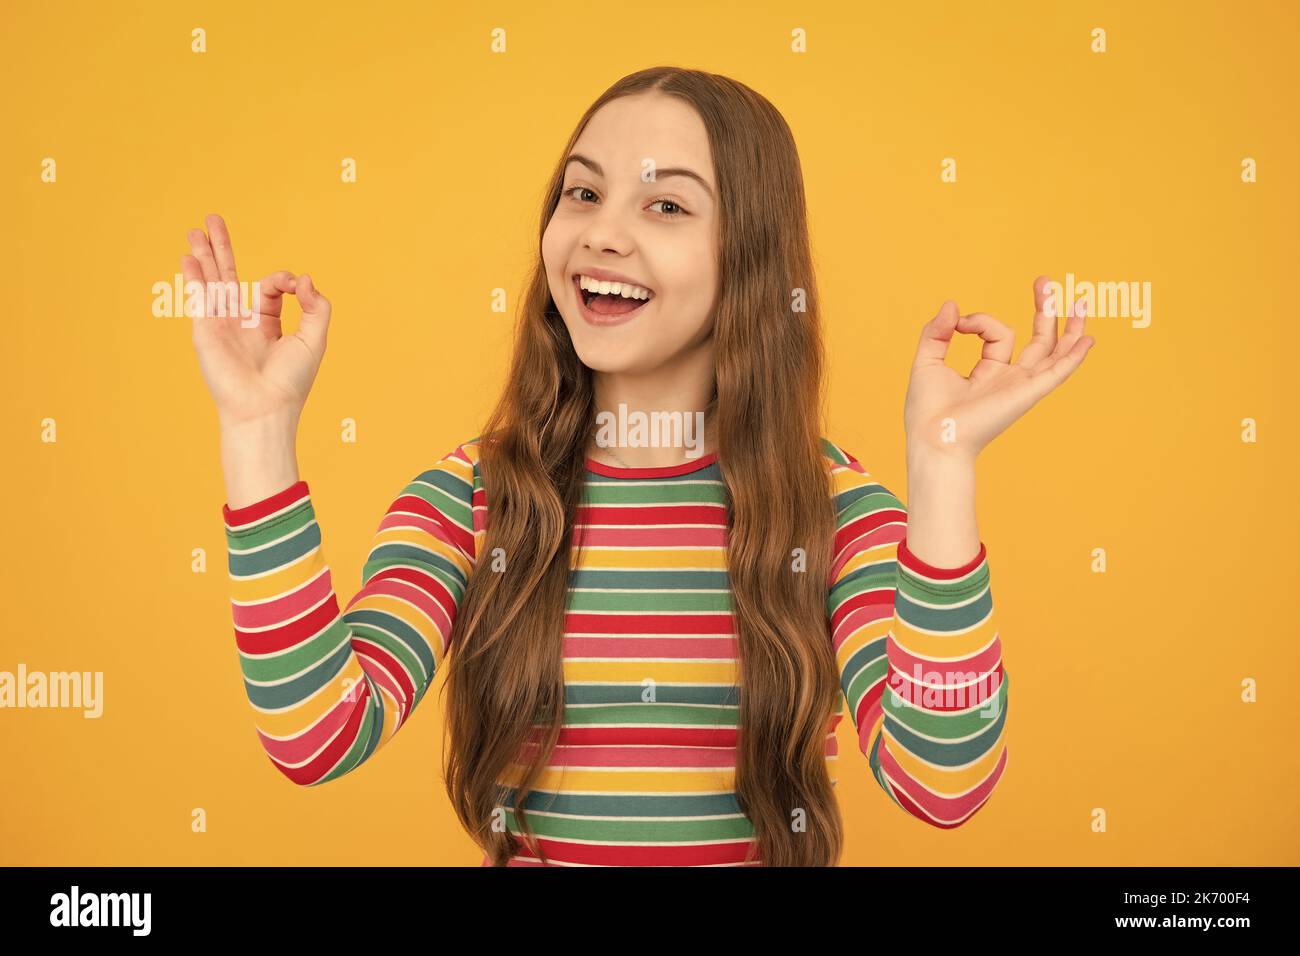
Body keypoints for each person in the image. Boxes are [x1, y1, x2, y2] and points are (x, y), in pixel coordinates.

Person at [185, 66, 1093, 867]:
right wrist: (257, 433)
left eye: (665, 205)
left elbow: (944, 785)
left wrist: (942, 469)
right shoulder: (472, 499)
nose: (602, 234)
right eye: (582, 194)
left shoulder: (834, 511)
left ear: (749, 256)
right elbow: (316, 736)